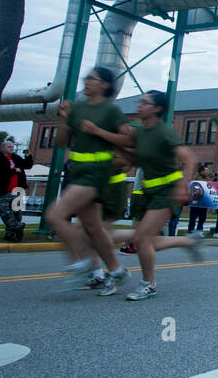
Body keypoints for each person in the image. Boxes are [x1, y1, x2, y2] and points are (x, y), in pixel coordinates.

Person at [44, 65, 133, 289]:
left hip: (97, 174)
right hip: (78, 172)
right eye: (87, 78)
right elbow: (61, 142)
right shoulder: (78, 108)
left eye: (92, 79)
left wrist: (99, 132)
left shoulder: (111, 111)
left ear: (105, 84)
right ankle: (116, 270)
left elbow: (128, 140)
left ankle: (81, 262)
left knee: (55, 216)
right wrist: (64, 119)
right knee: (93, 228)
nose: (86, 81)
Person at [108, 90, 202, 300]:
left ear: (157, 108)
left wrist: (182, 186)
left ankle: (148, 284)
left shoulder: (164, 132)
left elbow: (189, 158)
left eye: (145, 103)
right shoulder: (141, 133)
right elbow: (136, 160)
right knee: (145, 240)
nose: (140, 105)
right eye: (140, 101)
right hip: (150, 192)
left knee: (142, 238)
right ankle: (187, 242)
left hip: (168, 192)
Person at [0, 138, 34, 241]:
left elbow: (27, 165)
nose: (11, 148)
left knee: (16, 213)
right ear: (2, 148)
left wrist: (28, 157)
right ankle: (18, 226)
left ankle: (11, 234)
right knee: (4, 211)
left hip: (18, 190)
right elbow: (0, 172)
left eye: (12, 147)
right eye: (9, 146)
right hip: (4, 190)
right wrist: (15, 170)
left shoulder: (16, 157)